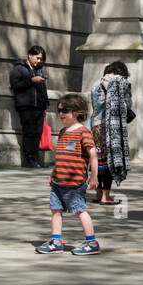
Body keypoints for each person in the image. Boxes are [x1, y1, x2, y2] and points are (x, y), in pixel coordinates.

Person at [36, 92, 100, 255]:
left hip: (75, 183)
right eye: (59, 110)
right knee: (55, 210)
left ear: (78, 112)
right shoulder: (64, 132)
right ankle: (56, 241)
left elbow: (93, 154)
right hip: (59, 182)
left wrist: (94, 176)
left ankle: (92, 242)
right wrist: (53, 174)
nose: (61, 114)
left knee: (80, 211)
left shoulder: (83, 132)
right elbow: (61, 157)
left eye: (65, 110)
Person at [89, 61, 134, 205]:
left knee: (98, 158)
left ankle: (97, 193)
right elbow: (128, 104)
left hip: (95, 125)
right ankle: (106, 196)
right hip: (110, 126)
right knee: (110, 160)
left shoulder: (96, 83)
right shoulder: (119, 83)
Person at [10, 45, 50, 168]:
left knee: (38, 132)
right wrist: (32, 81)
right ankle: (29, 160)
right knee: (29, 132)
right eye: (37, 58)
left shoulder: (39, 70)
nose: (39, 61)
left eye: (41, 59)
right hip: (26, 105)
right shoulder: (19, 69)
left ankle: (36, 159)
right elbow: (15, 86)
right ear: (30, 55)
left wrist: (45, 106)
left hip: (39, 106)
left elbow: (43, 89)